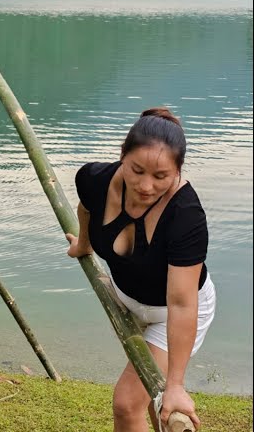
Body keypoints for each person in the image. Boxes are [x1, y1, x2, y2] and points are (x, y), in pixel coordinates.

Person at [66, 107, 213, 432]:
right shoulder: (94, 179)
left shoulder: (186, 216)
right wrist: (84, 245)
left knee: (127, 403)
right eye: (137, 170)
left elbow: (182, 303)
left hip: (173, 312)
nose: (146, 186)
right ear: (122, 155)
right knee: (150, 400)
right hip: (128, 299)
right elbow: (86, 208)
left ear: (178, 170)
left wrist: (176, 384)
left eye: (161, 177)